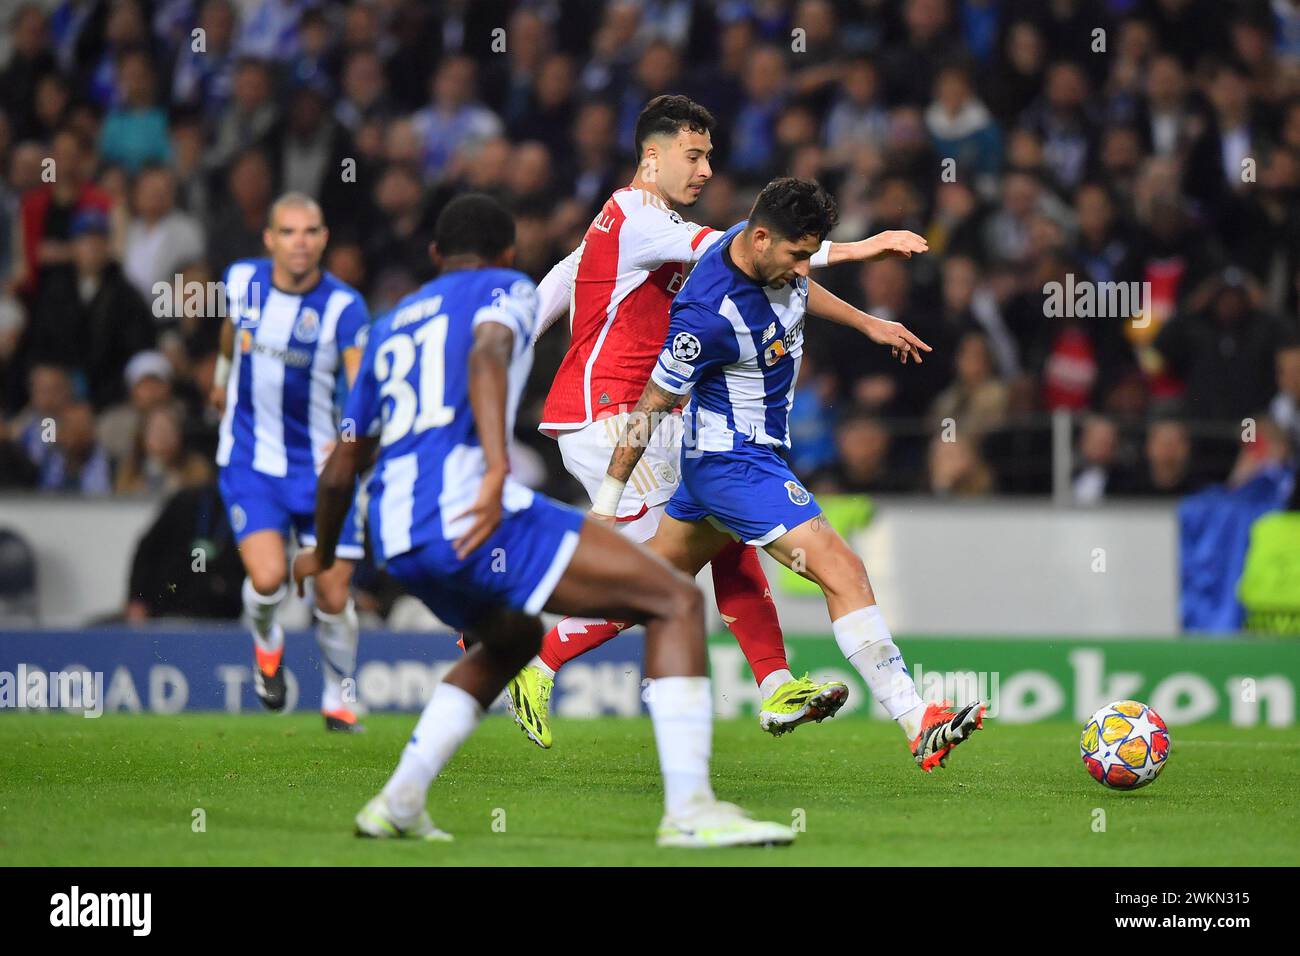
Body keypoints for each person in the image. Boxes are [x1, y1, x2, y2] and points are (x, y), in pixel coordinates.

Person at [293, 193, 793, 848]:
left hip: (396, 532)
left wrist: (326, 553)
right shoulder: (503, 289)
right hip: (472, 507)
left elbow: (339, 467)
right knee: (671, 598)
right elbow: (488, 353)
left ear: (436, 254)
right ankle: (691, 810)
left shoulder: (387, 328)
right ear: (506, 254)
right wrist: (499, 465)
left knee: (511, 639)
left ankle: (399, 801)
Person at [508, 94, 929, 747]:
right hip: (613, 415)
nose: (705, 170)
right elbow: (745, 249)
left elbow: (770, 270)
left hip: (638, 414)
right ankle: (528, 640)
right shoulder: (643, 217)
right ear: (653, 156)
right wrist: (863, 247)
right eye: (693, 154)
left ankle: (771, 684)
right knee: (661, 567)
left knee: (715, 533)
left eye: (710, 156)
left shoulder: (622, 223)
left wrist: (867, 321)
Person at [593, 178, 986, 772]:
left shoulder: (765, 255)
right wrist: (606, 504)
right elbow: (651, 409)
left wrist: (867, 321)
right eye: (798, 255)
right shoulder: (707, 316)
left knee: (647, 586)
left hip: (730, 465)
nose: (804, 267)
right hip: (733, 464)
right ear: (759, 239)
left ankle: (527, 650)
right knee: (844, 570)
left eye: (810, 253)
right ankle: (916, 719)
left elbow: (801, 286)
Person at [211, 192, 369, 732]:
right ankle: (267, 644)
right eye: (289, 232)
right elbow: (230, 334)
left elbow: (359, 381)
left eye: (310, 232)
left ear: (323, 238)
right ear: (270, 239)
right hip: (252, 462)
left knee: (332, 590)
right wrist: (217, 379)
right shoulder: (241, 282)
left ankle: (337, 698)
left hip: (322, 472)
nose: (299, 242)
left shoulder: (345, 306)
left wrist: (348, 441)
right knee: (269, 577)